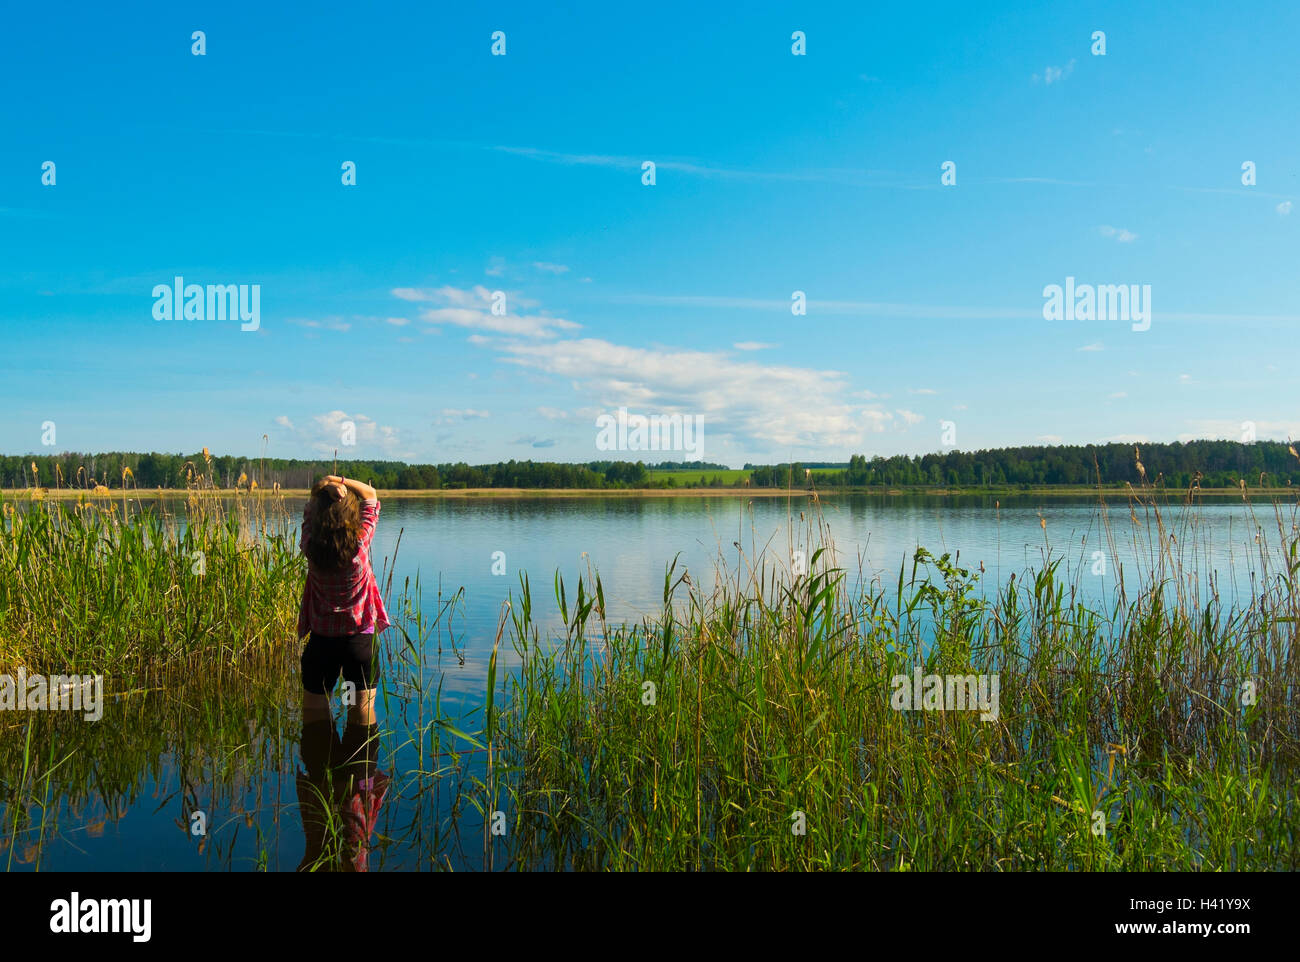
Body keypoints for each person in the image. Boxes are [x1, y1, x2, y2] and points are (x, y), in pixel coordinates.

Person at [297, 474, 390, 726]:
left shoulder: (310, 546)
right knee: (361, 713)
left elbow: (311, 500)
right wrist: (343, 481)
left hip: (321, 643)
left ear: (317, 515)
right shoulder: (359, 546)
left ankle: (319, 759)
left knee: (314, 717)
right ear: (352, 517)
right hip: (359, 641)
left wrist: (325, 484)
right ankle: (359, 764)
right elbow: (371, 496)